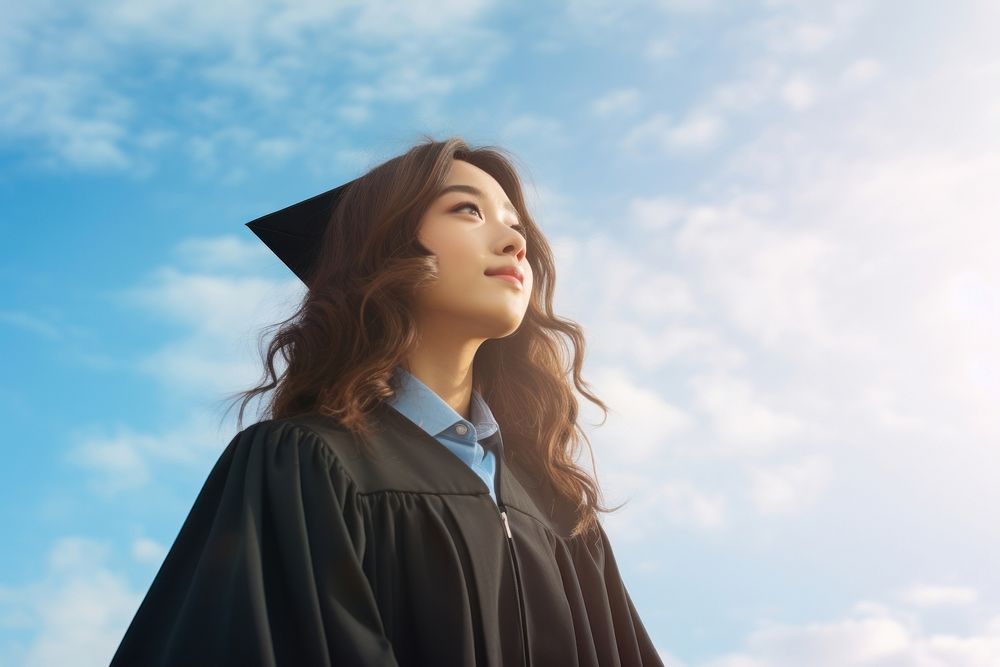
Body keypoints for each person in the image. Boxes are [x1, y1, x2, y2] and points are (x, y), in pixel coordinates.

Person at [109, 135, 663, 666]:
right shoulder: (305, 464)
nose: (516, 242)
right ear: (386, 246)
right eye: (468, 211)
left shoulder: (561, 514)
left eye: (516, 225)